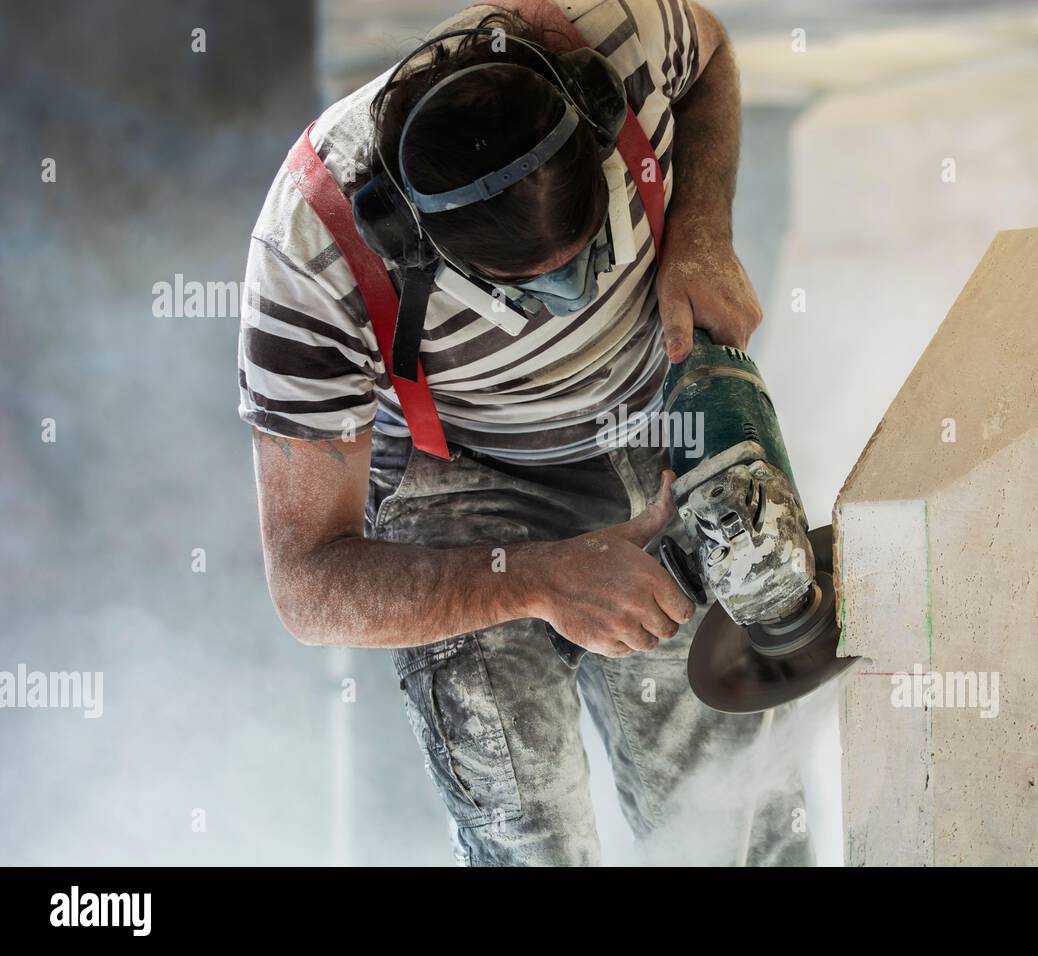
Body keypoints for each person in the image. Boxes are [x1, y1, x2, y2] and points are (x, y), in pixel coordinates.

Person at [238, 0, 810, 865]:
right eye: (532, 288)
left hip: (645, 418)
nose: (573, 294)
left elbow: (712, 57)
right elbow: (308, 584)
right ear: (412, 233)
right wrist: (537, 580)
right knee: (526, 837)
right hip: (460, 484)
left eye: (586, 253)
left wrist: (700, 232)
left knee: (723, 824)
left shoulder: (618, 35)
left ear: (592, 112)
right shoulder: (310, 253)